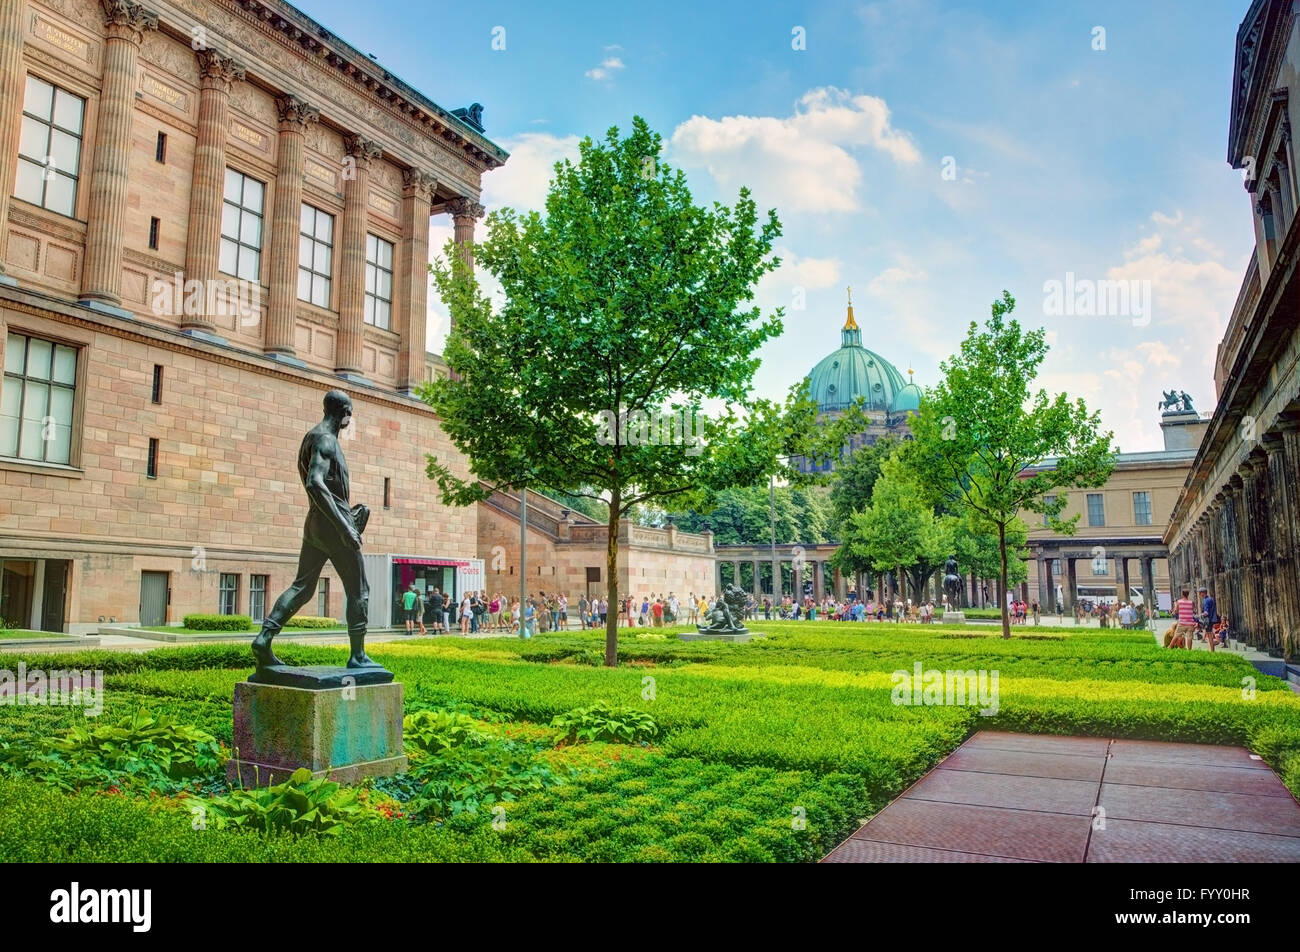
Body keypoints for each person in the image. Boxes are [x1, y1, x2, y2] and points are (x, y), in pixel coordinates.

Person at [1200, 586, 1219, 651]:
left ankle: (1212, 650)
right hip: (1213, 619)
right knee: (1210, 634)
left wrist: (1199, 615)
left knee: (1209, 635)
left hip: (1208, 620)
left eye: (1200, 593)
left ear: (1203, 593)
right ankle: (1212, 649)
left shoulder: (1205, 600)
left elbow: (1206, 613)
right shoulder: (1211, 599)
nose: (1199, 595)